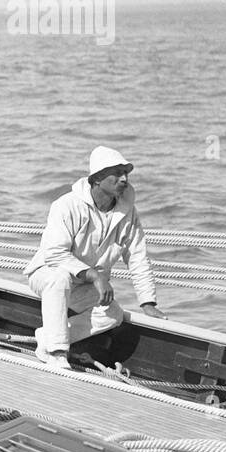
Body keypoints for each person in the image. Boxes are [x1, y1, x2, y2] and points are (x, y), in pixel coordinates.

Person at [24, 147, 166, 369]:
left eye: (126, 173)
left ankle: (47, 338)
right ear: (97, 178)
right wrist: (94, 276)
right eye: (117, 173)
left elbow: (138, 257)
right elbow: (54, 253)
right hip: (47, 272)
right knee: (59, 278)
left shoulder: (127, 212)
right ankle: (57, 353)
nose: (124, 178)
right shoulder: (67, 205)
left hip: (83, 283)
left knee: (112, 314)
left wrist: (148, 303)